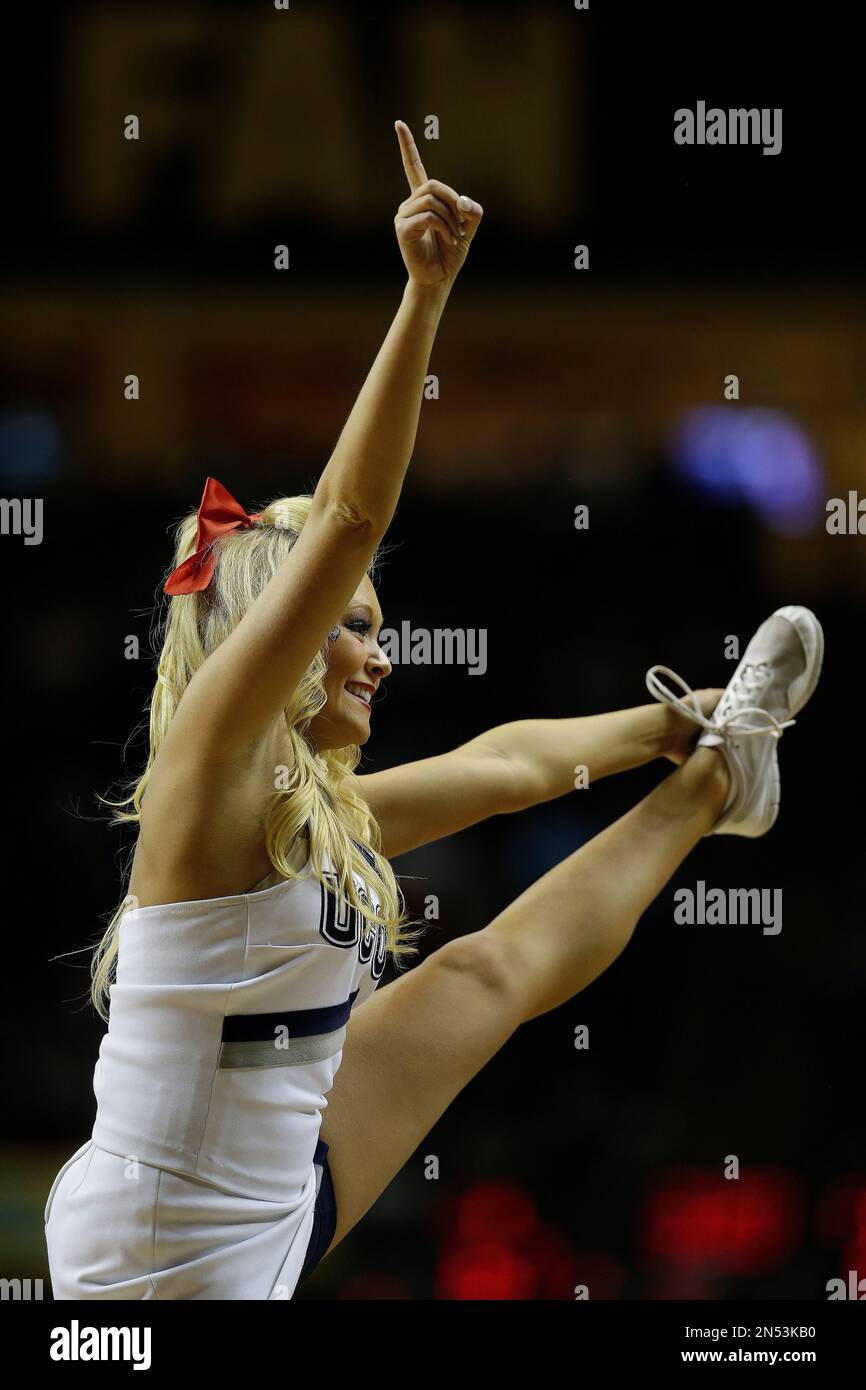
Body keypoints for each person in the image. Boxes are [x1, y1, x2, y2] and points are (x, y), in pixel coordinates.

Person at [44, 120, 823, 1299]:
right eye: (349, 624)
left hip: (279, 1196)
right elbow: (351, 515)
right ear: (279, 631)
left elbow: (509, 765)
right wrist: (422, 298)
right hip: (149, 1250)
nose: (378, 653)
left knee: (482, 975)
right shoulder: (207, 767)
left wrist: (680, 723)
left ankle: (722, 778)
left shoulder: (320, 816)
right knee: (481, 971)